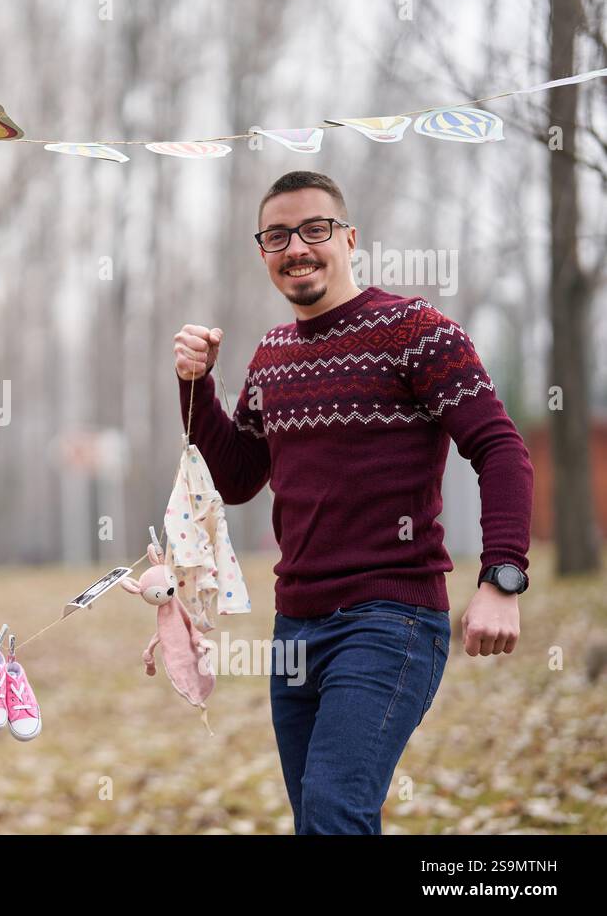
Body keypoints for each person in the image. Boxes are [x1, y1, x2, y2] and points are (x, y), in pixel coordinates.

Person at [172, 171, 532, 834]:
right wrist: (195, 388)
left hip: (389, 619)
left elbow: (501, 450)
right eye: (278, 235)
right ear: (263, 251)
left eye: (315, 229)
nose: (297, 248)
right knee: (320, 817)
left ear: (348, 238)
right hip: (295, 631)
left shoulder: (416, 333)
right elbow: (238, 479)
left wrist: (501, 578)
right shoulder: (272, 356)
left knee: (336, 810)